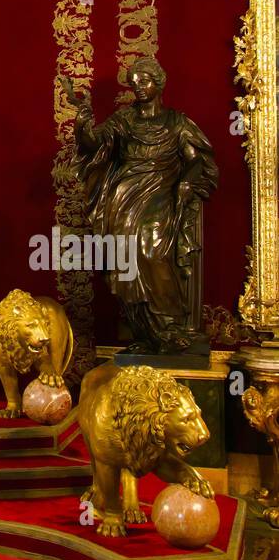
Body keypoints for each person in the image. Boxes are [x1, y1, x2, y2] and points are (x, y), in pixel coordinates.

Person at [68, 58, 218, 355]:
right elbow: (93, 144)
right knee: (124, 252)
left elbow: (196, 161)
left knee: (152, 250)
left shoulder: (176, 122)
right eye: (134, 83)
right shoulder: (124, 120)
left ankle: (170, 326)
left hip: (162, 192)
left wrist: (187, 182)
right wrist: (83, 120)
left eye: (144, 81)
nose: (138, 87)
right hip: (125, 195)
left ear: (159, 83)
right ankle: (145, 331)